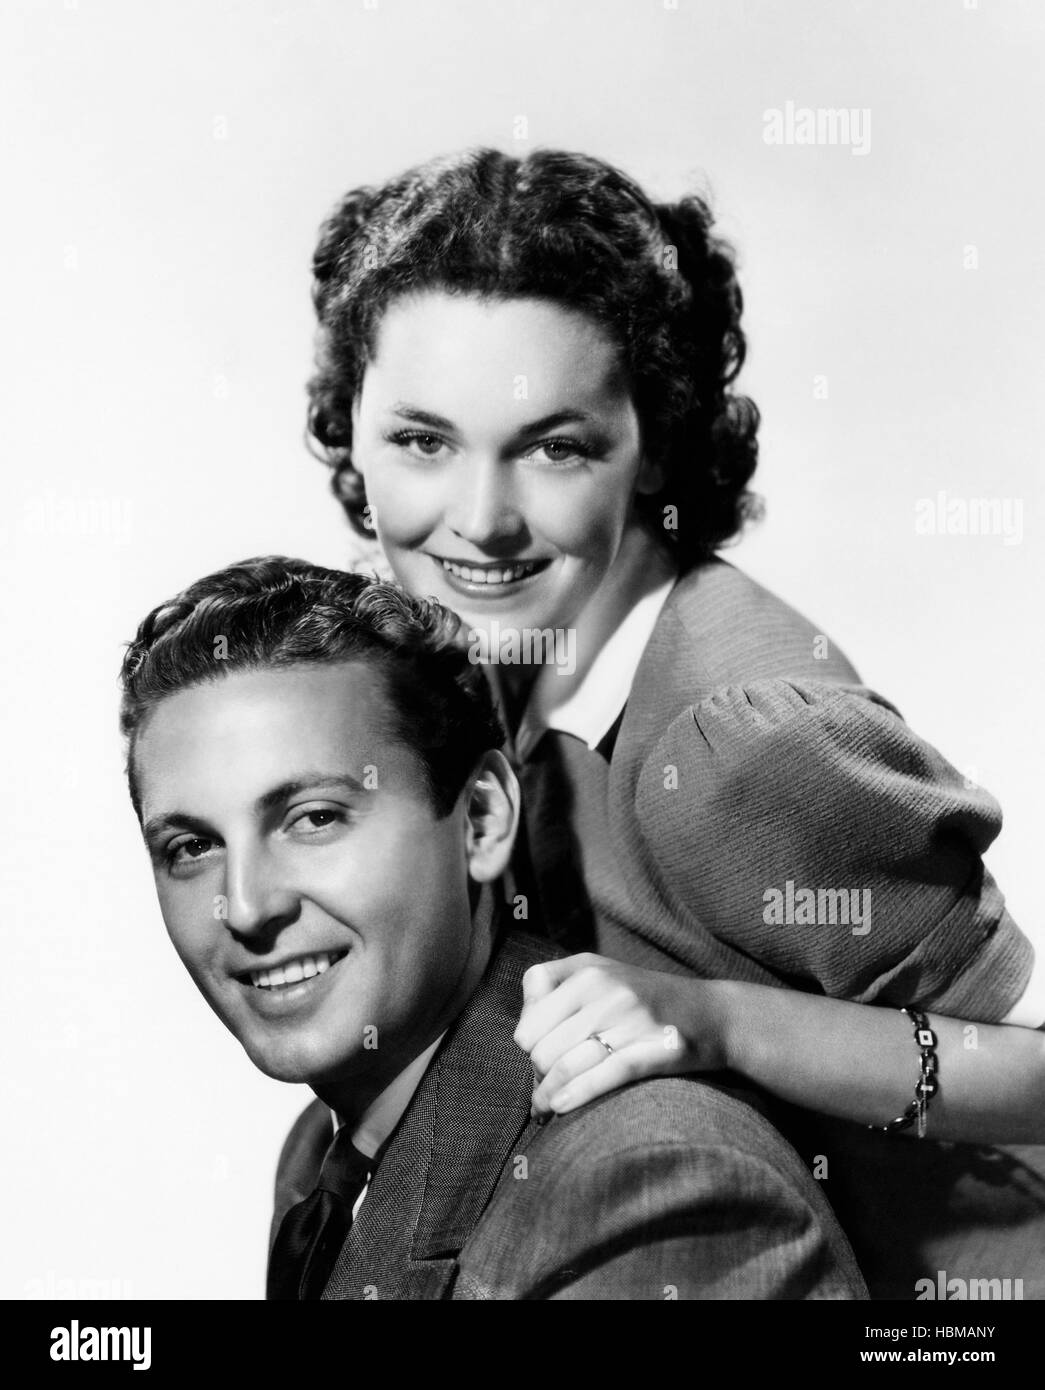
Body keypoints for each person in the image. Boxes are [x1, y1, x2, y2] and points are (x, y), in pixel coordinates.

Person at [303, 147, 1045, 1296]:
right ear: (350, 431)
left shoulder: (741, 742)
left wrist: (722, 1022)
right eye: (422, 441)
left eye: (555, 448)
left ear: (654, 436)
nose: (480, 521)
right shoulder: (484, 658)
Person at [118, 556, 866, 1300]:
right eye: (191, 847)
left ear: (480, 818)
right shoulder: (320, 1153)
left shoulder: (648, 1185)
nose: (244, 907)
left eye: (313, 819)